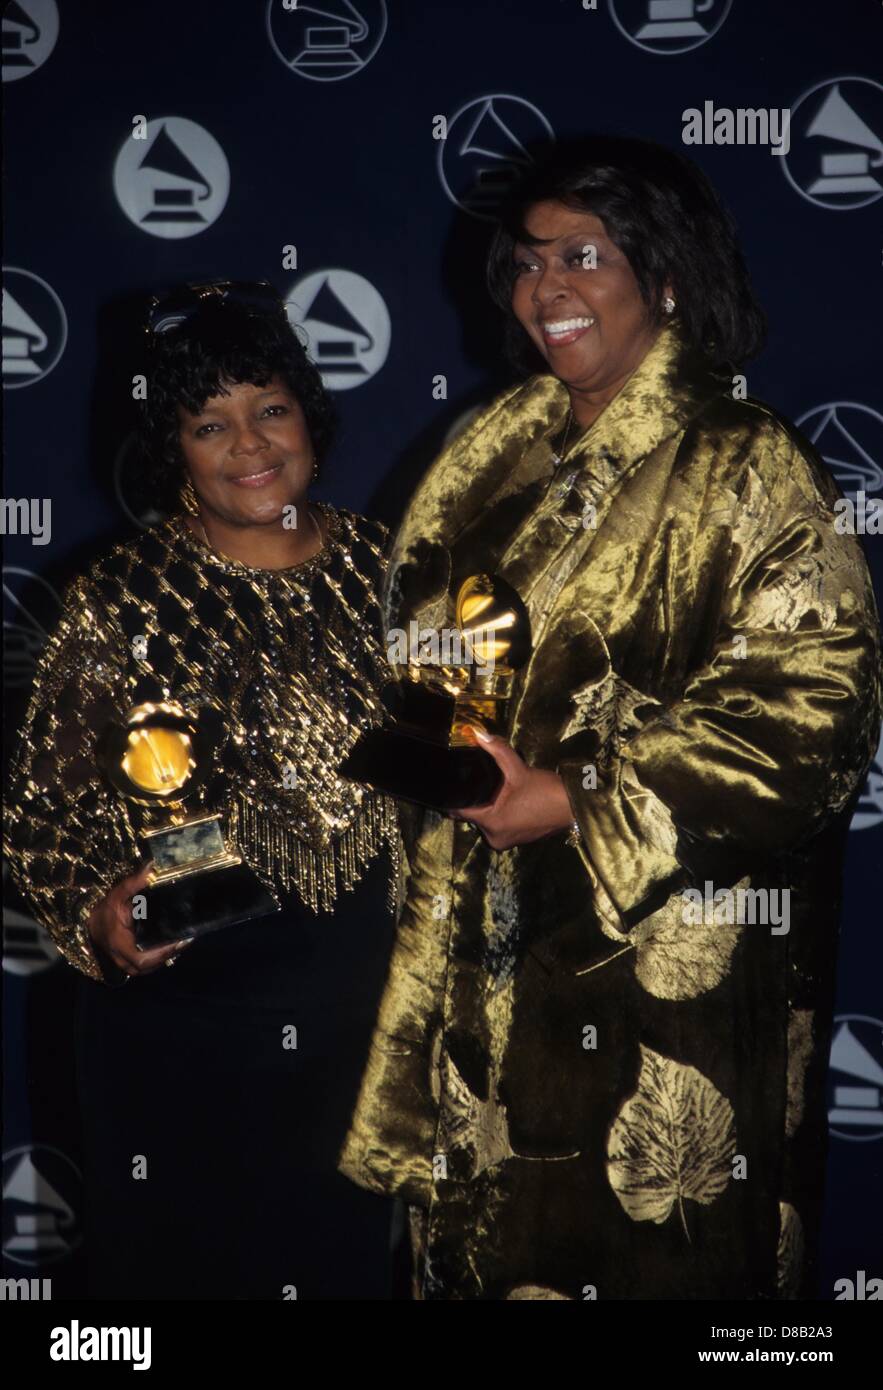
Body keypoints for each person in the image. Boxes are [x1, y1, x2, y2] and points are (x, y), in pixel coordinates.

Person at [337, 137, 883, 1300]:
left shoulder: (744, 461)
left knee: (643, 1253)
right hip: (485, 946)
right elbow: (423, 654)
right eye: (531, 259)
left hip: (659, 970)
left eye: (583, 255)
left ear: (667, 278)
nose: (548, 288)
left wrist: (582, 798)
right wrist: (449, 762)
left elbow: (814, 706)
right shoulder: (491, 455)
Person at [5, 280, 399, 1300]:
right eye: (208, 424)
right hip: (186, 1036)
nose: (249, 446)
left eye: (269, 408)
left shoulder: (394, 572)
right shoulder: (121, 597)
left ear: (308, 414)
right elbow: (45, 819)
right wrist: (99, 913)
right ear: (169, 447)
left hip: (365, 1020)